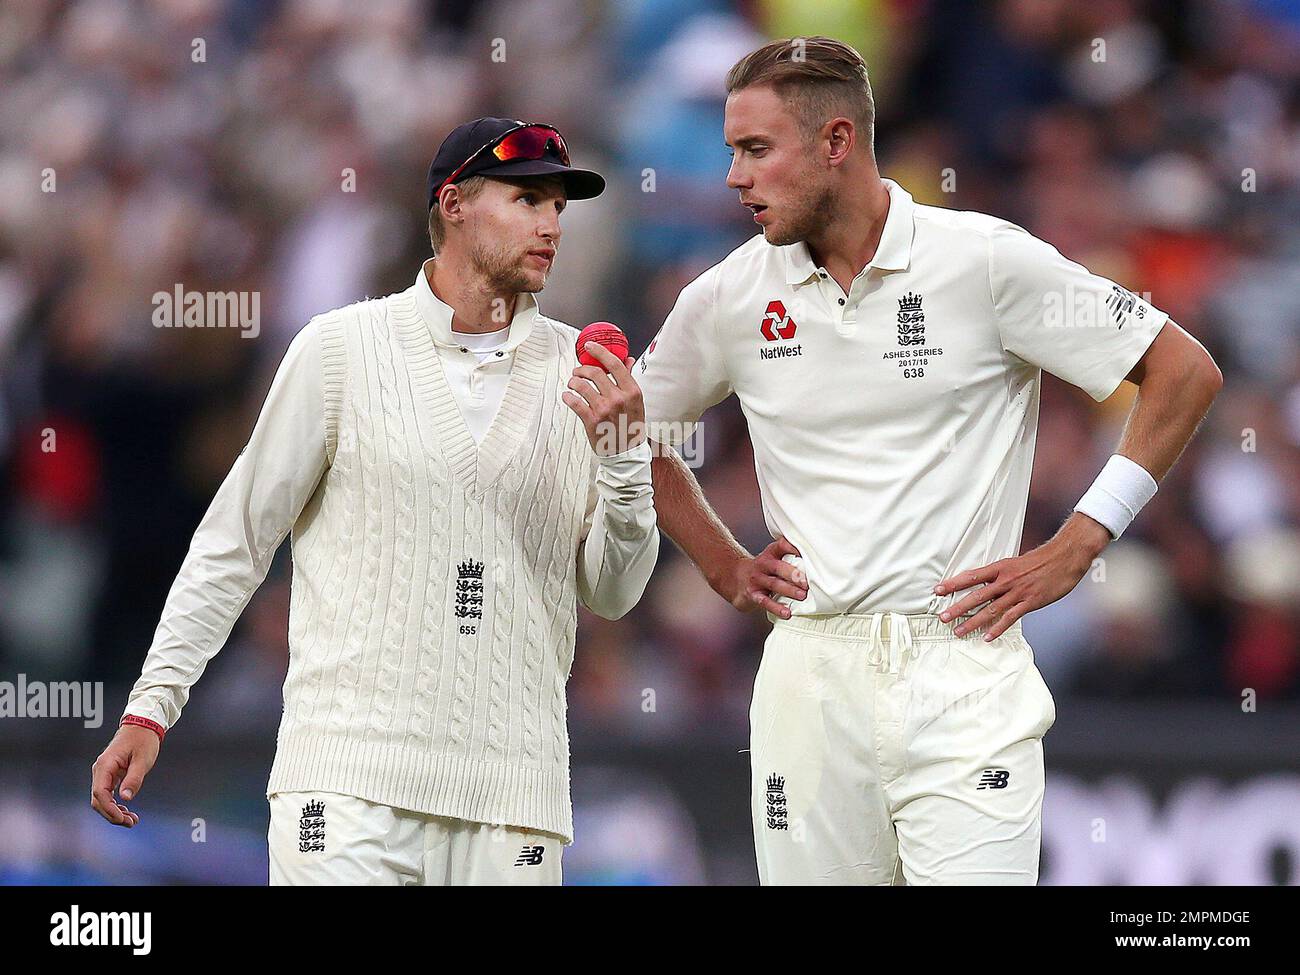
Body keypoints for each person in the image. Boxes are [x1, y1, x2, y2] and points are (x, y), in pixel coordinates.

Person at [635, 38, 1222, 885]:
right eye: (733, 150)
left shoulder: (983, 259)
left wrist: (1081, 541)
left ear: (838, 141)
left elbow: (1183, 371)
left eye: (756, 149)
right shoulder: (727, 295)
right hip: (810, 676)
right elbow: (627, 434)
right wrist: (720, 561)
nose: (733, 175)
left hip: (963, 665)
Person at [91, 118, 659, 886]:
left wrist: (624, 462)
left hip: (513, 800)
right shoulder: (339, 351)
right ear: (454, 204)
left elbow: (615, 594)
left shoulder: (584, 371)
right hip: (346, 784)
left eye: (559, 205)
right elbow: (236, 541)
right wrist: (151, 705)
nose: (552, 224)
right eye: (528, 200)